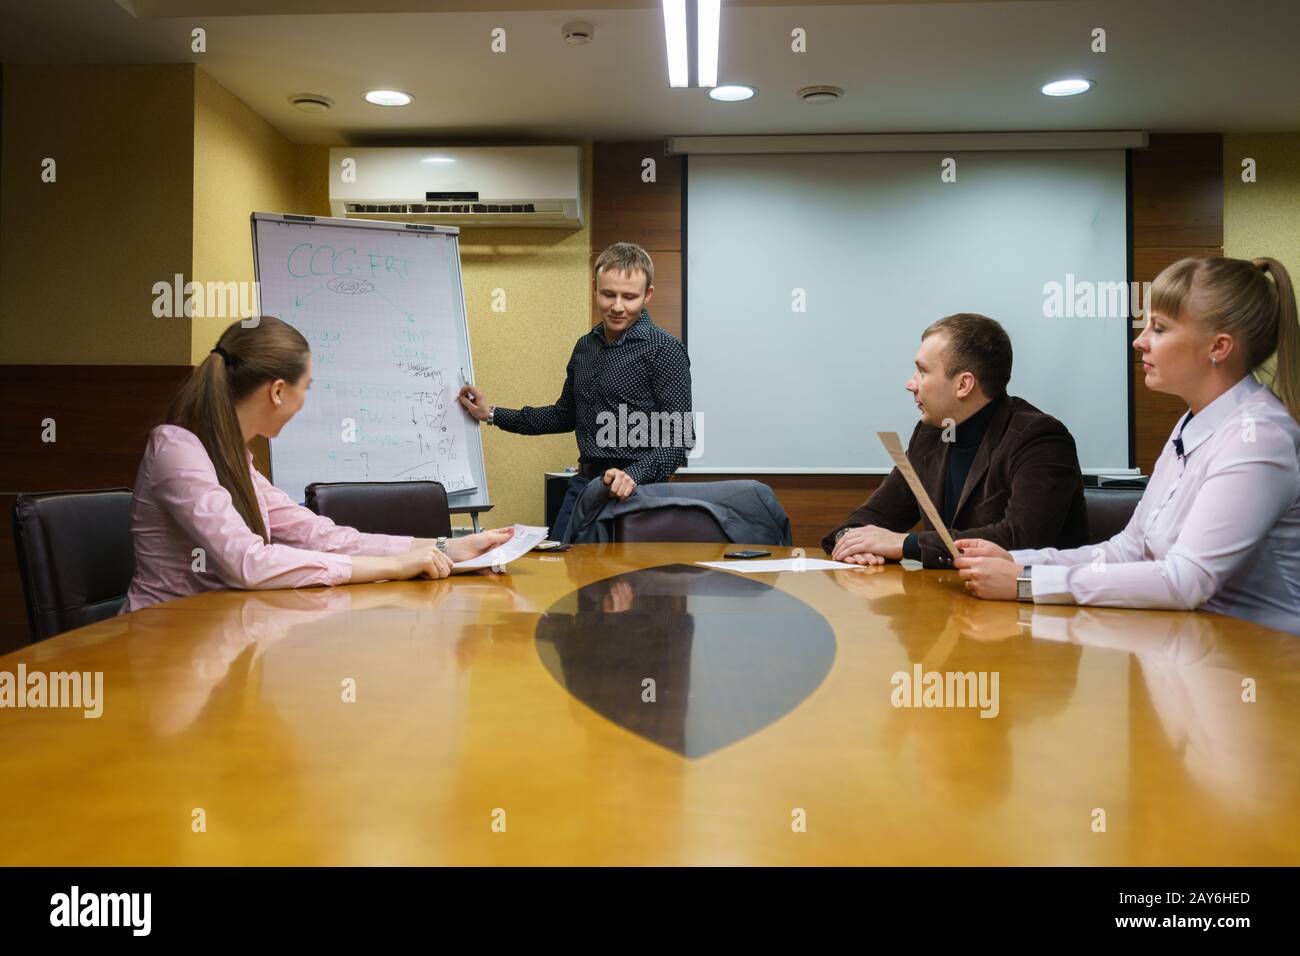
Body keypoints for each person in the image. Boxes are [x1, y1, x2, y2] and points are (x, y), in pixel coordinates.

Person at [956, 256, 1300, 637]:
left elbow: (1186, 580)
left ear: (1218, 347)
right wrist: (1018, 561)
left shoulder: (1260, 436)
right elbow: (1128, 549)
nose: (1139, 341)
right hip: (1196, 644)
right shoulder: (1193, 422)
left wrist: (1028, 584)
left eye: (1159, 328)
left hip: (1260, 658)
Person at [123, 315, 512, 612]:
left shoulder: (234, 457)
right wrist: (396, 565)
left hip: (218, 631)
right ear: (278, 391)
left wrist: (450, 547)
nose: (304, 401)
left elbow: (324, 538)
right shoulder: (177, 449)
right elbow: (247, 563)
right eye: (305, 388)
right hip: (161, 641)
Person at [457, 242, 693, 540]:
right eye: (608, 294)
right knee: (559, 563)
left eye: (629, 296)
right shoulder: (585, 347)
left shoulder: (665, 350)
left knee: (626, 572)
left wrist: (632, 475)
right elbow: (564, 415)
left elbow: (679, 440)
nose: (617, 306)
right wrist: (491, 414)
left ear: (648, 295)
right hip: (584, 486)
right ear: (595, 288)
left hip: (638, 493)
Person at [823, 313, 1088, 568]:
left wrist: (906, 544)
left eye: (922, 372)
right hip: (949, 594)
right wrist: (851, 540)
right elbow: (874, 516)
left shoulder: (1040, 439)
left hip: (1030, 598)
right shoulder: (930, 434)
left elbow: (1019, 540)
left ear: (963, 385)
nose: (910, 384)